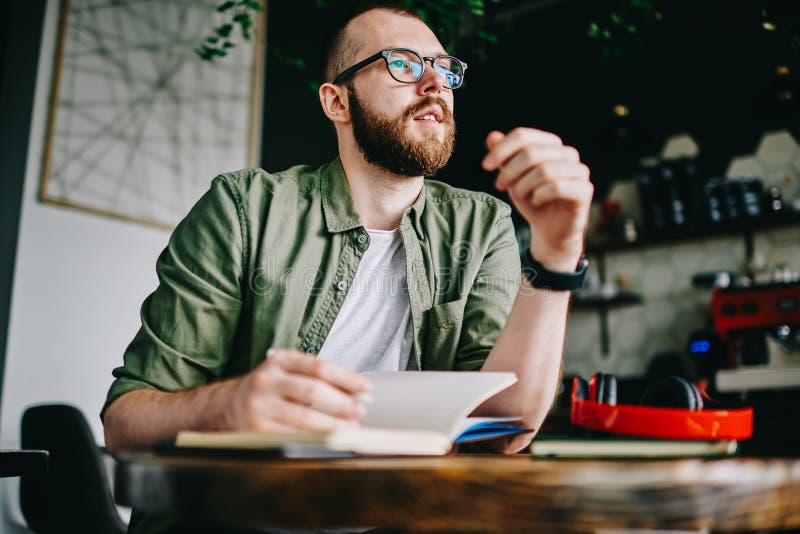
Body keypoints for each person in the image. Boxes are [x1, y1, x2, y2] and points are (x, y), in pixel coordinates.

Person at [103, 5, 592, 531]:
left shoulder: (481, 223)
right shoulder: (244, 209)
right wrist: (228, 406)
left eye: (444, 67)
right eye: (403, 63)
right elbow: (125, 424)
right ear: (337, 101)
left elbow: (505, 427)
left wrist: (557, 253)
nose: (435, 83)